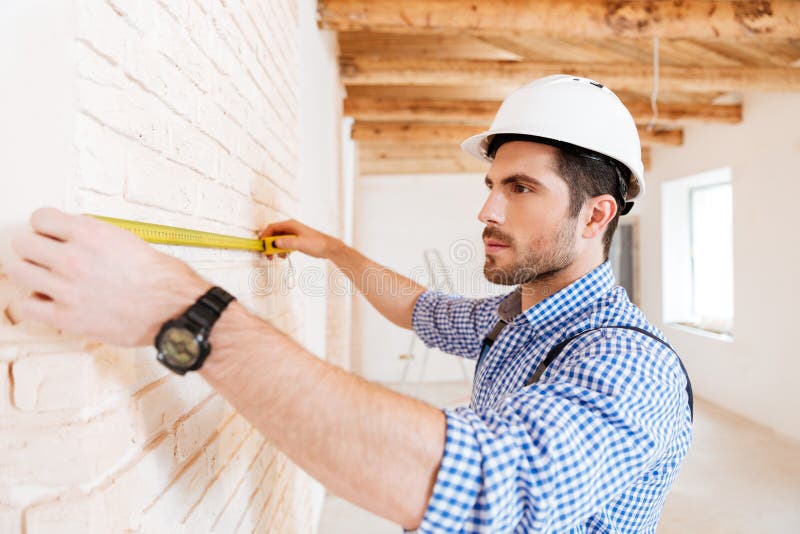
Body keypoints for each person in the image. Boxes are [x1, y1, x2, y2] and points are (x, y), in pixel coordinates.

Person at [7, 74, 692, 532]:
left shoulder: (630, 364)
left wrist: (185, 308)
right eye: (491, 183)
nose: (485, 208)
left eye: (521, 188)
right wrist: (333, 250)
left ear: (596, 214)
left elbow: (490, 486)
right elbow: (419, 309)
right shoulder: (515, 319)